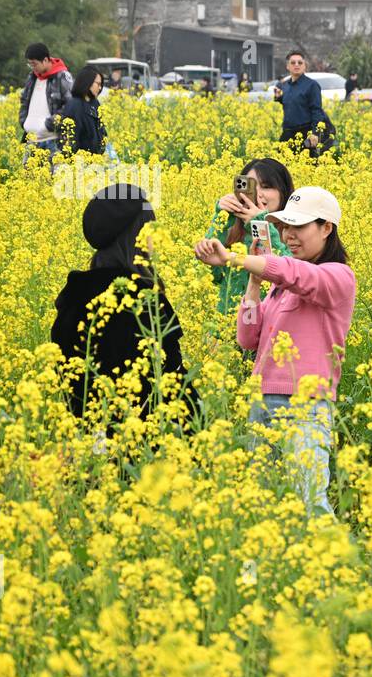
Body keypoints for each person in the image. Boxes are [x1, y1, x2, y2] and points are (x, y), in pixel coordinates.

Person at [193, 186, 356, 517]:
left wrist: (236, 258)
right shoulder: (279, 289)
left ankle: (332, 564)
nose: (289, 235)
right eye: (285, 227)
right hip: (262, 401)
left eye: (299, 227)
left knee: (310, 499)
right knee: (261, 501)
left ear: (327, 228)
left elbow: (294, 272)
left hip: (306, 406)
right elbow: (248, 337)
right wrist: (253, 282)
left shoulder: (338, 277)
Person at [51, 184, 196, 423]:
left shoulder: (74, 296)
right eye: (151, 227)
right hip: (141, 440)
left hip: (87, 436)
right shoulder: (146, 300)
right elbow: (174, 380)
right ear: (136, 235)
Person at [204, 157, 294, 314]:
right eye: (250, 187)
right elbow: (211, 275)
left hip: (274, 331)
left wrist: (261, 224)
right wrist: (221, 219)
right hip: (227, 331)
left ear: (283, 192)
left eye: (266, 187)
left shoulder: (295, 234)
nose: (258, 194)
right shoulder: (233, 232)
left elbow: (287, 273)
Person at [274, 50, 335, 158]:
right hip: (288, 133)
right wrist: (279, 98)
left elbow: (317, 110)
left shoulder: (312, 85)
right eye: (293, 63)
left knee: (306, 168)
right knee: (281, 166)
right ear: (288, 66)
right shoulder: (285, 85)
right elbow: (293, 103)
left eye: (300, 63)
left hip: (305, 133)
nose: (296, 65)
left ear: (304, 66)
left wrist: (315, 133)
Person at [19, 43, 73, 163]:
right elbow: (24, 101)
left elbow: (69, 106)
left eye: (34, 64)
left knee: (51, 179)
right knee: (28, 179)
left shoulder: (62, 76)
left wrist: (48, 125)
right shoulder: (32, 77)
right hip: (31, 141)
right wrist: (24, 122)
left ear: (45, 60)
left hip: (52, 140)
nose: (33, 67)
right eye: (30, 64)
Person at [45, 65, 108, 156]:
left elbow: (102, 131)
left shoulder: (95, 103)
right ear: (87, 82)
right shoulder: (75, 104)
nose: (100, 88)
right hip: (79, 161)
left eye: (101, 85)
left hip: (95, 160)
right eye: (98, 84)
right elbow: (70, 139)